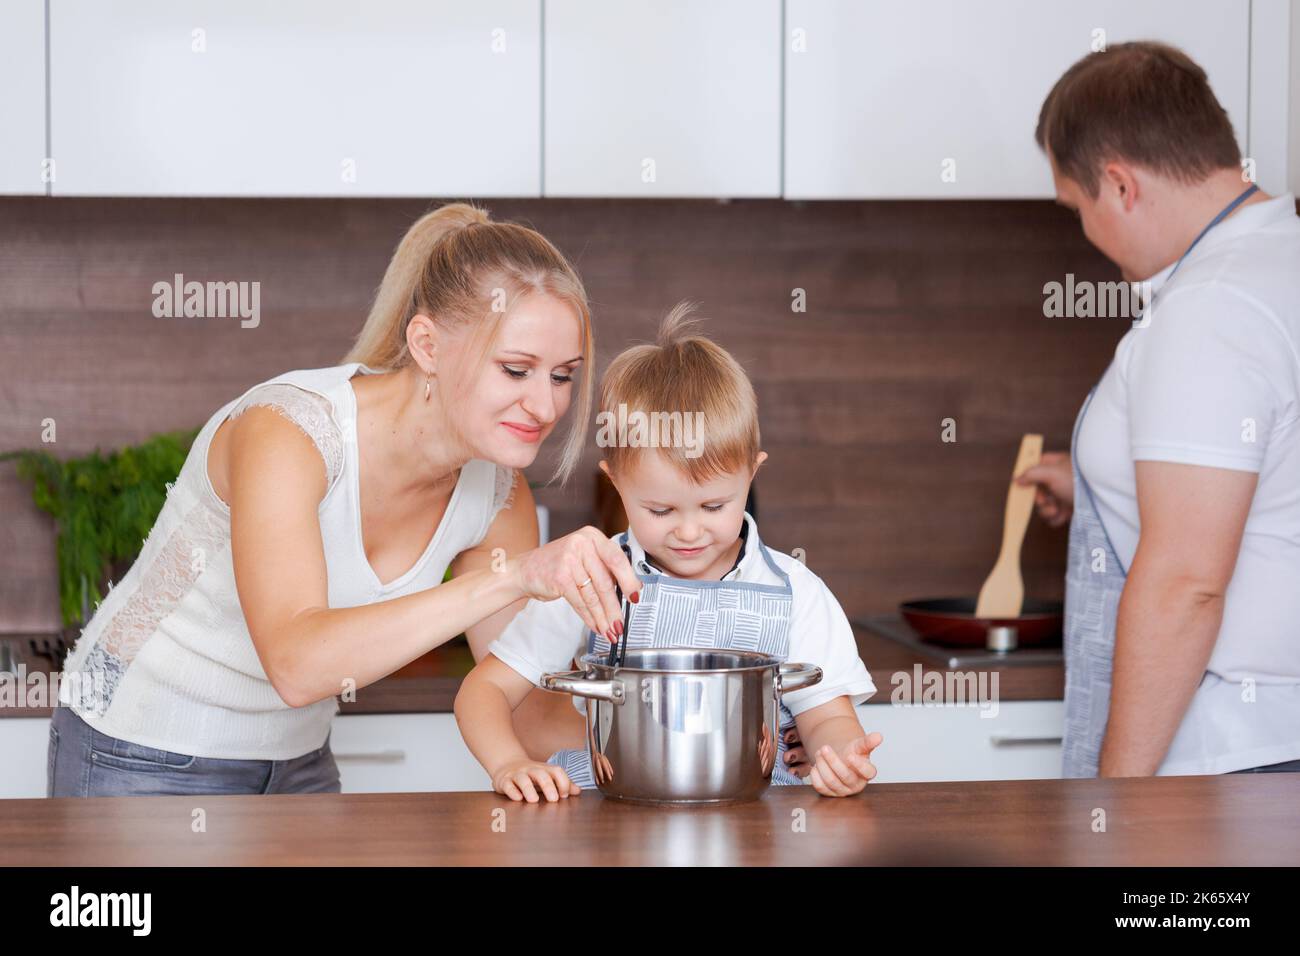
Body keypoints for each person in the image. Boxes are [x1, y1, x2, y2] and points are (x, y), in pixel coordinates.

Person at [48, 202, 641, 797]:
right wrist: (514, 576)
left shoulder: (496, 494)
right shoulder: (288, 432)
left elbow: (520, 707)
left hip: (295, 760)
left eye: (563, 376)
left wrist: (673, 712)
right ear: (428, 346)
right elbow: (297, 665)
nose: (545, 407)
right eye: (516, 370)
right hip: (135, 748)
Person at [454, 303, 883, 801]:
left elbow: (829, 716)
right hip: (610, 818)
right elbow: (483, 692)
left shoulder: (796, 591)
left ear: (752, 472)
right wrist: (507, 763)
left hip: (759, 823)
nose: (689, 531)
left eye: (713, 505)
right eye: (660, 510)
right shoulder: (591, 581)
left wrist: (839, 758)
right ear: (616, 482)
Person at [1019, 42, 1300, 776]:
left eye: (1075, 207)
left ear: (1118, 185)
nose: (1084, 232)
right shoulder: (1282, 261)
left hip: (1232, 757)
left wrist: (1113, 809)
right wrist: (1099, 490)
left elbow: (1185, 582)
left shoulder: (1210, 308)